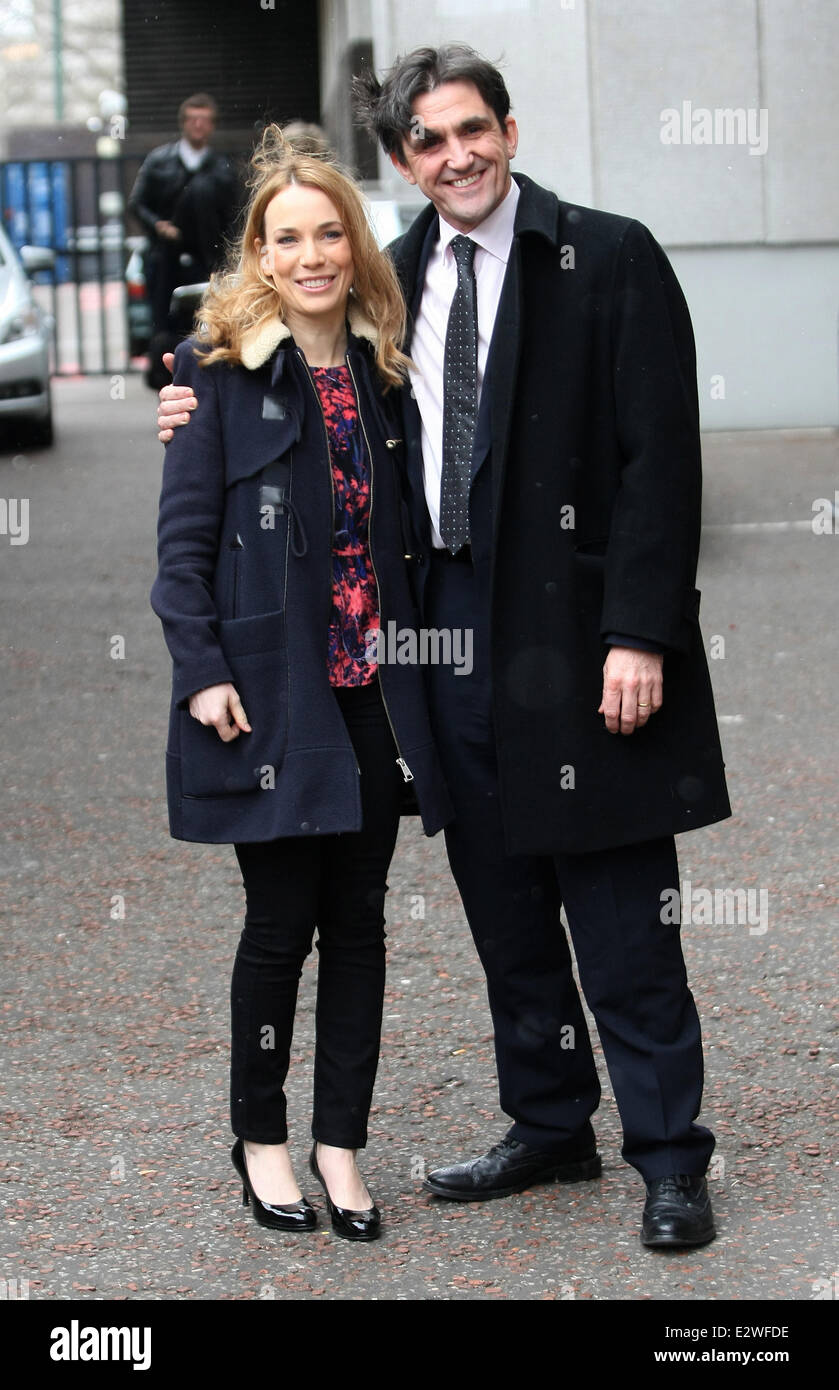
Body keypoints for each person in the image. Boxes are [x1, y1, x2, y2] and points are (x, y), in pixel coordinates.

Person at [157, 44, 732, 1250]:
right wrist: (191, 401)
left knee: (622, 906)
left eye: (472, 130)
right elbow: (288, 393)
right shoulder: (392, 283)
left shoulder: (606, 256)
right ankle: (548, 1119)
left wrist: (639, 631)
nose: (454, 155)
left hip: (583, 641)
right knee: (502, 900)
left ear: (509, 134)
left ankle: (669, 1153)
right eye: (427, 141)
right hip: (443, 639)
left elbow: (660, 467)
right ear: (404, 162)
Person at [149, 126, 452, 1242]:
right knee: (279, 927)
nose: (312, 253)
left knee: (360, 924)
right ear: (261, 256)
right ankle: (262, 1143)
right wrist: (198, 675)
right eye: (289, 237)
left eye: (330, 231)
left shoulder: (389, 375)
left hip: (375, 698)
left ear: (351, 245)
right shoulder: (213, 381)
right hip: (271, 697)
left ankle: (340, 1144)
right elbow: (181, 555)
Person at [129, 94, 239, 350]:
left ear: (212, 125)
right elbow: (137, 203)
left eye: (204, 120)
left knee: (209, 320)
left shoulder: (222, 167)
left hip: (209, 257)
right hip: (166, 256)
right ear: (183, 123)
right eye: (192, 120)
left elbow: (234, 213)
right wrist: (158, 226)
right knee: (166, 323)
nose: (198, 125)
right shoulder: (159, 161)